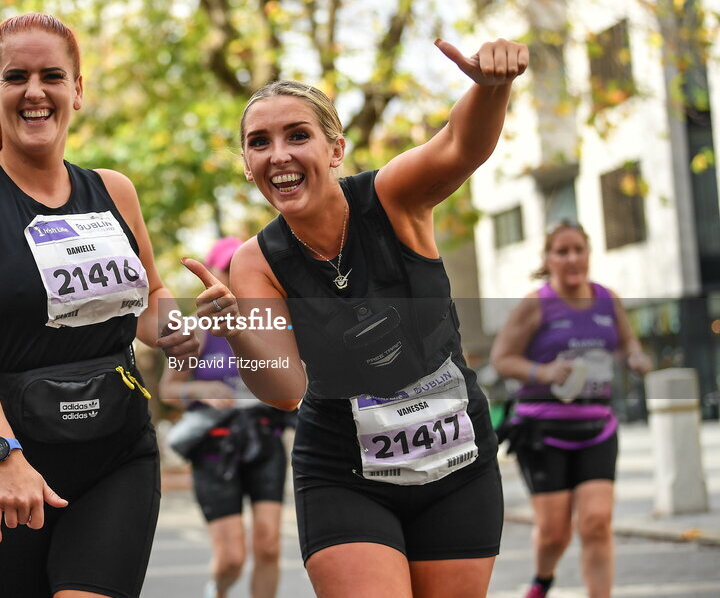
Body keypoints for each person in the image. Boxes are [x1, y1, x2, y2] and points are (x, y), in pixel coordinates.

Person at [182, 38, 528, 598]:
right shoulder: (256, 262)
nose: (279, 154)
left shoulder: (392, 197)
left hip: (457, 459)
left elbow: (459, 143)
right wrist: (238, 330)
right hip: (343, 473)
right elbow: (285, 391)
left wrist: (492, 88)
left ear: (335, 148)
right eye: (259, 143)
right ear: (247, 165)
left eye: (298, 135)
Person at [0, 12, 197, 598]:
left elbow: (149, 301)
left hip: (115, 450)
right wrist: (3, 455)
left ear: (78, 90)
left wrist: (181, 328)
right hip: (3, 457)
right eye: (16, 77)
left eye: (52, 76)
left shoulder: (114, 190)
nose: (35, 92)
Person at [490, 220, 652, 598]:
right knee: (554, 532)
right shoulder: (536, 304)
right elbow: (502, 358)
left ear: (589, 253)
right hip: (543, 430)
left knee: (597, 521)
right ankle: (542, 580)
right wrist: (543, 372)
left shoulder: (608, 299)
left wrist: (636, 357)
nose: (572, 258)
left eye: (579, 249)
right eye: (562, 251)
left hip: (597, 426)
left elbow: (628, 342)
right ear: (548, 259)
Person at [161, 237, 288, 598]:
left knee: (268, 545)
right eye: (226, 269)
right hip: (215, 446)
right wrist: (198, 389)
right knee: (232, 558)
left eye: (239, 269)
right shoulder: (196, 329)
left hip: (264, 437)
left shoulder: (267, 322)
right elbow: (168, 390)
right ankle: (216, 592)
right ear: (212, 273)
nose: (233, 277)